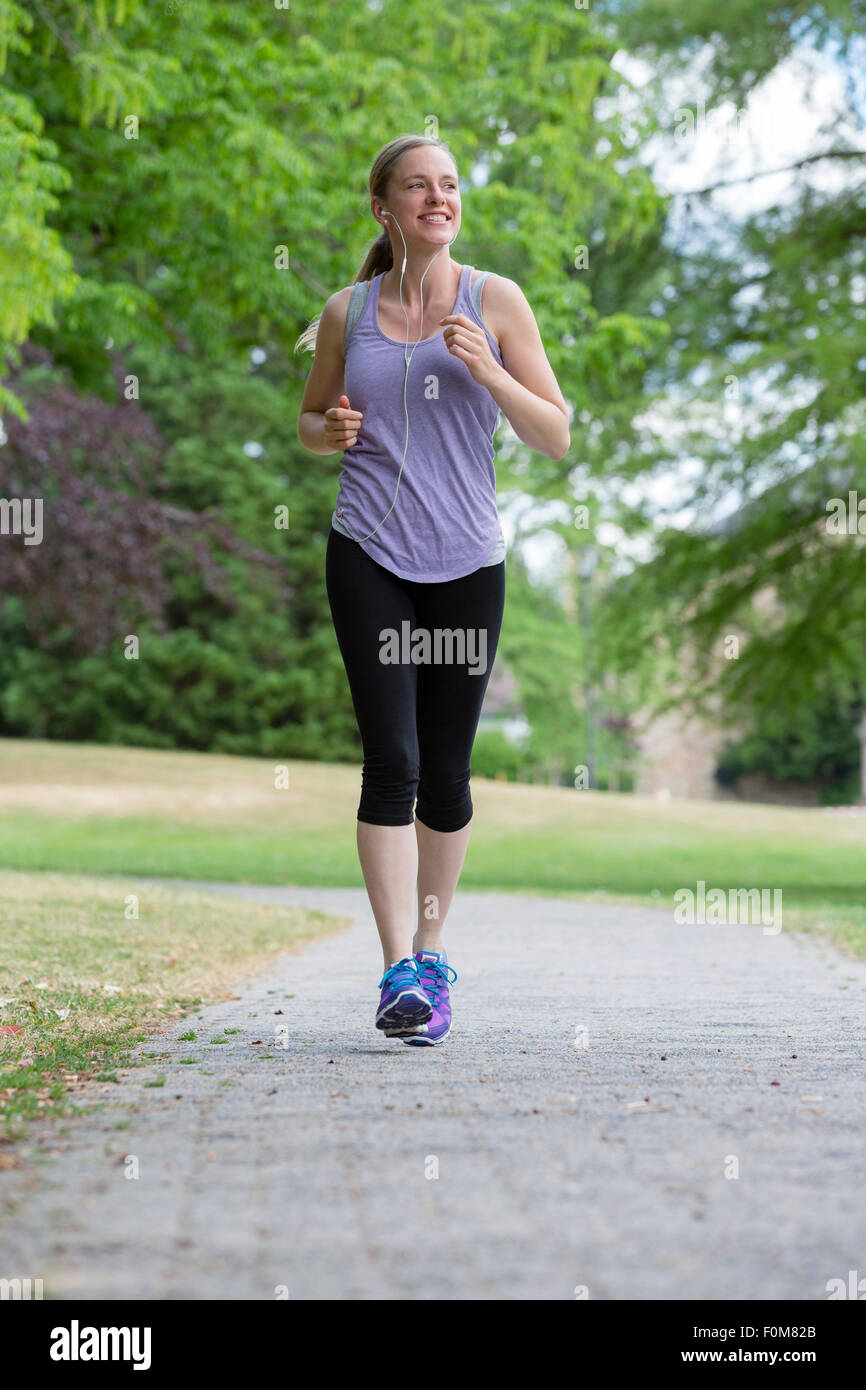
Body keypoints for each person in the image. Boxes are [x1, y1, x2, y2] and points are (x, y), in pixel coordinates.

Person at [296, 133, 569, 1045]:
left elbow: (555, 434)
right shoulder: (348, 311)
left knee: (445, 779)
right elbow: (309, 418)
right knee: (393, 761)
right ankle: (396, 972)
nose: (437, 198)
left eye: (449, 184)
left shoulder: (498, 301)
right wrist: (328, 431)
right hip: (369, 551)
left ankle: (433, 947)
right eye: (418, 186)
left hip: (466, 564)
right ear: (384, 206)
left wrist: (488, 368)